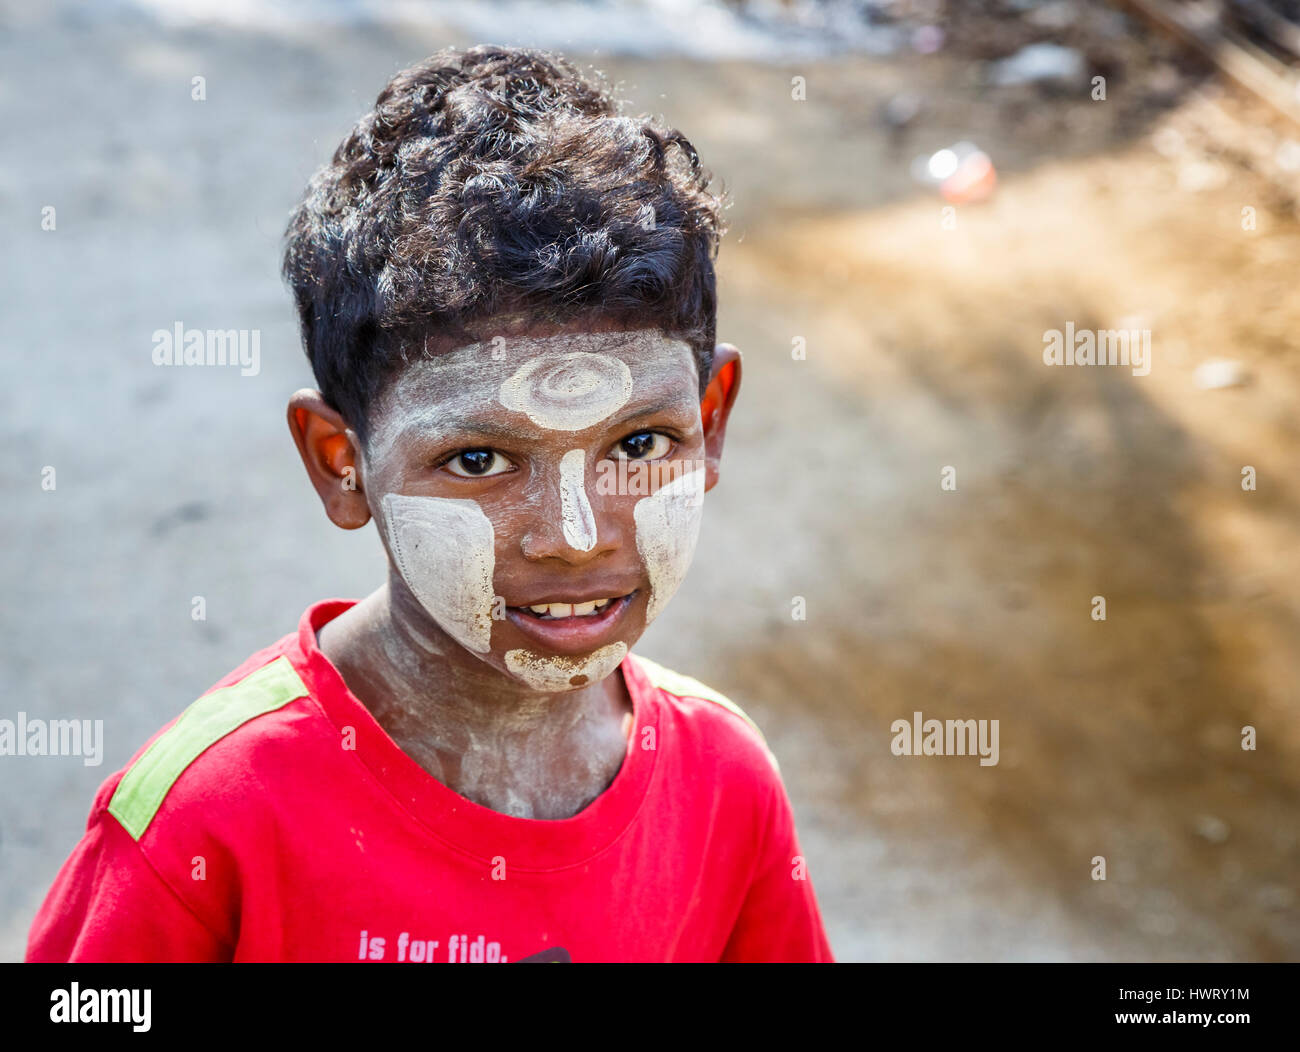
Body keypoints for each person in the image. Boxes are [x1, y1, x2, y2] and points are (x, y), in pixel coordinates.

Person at [27, 44, 833, 963]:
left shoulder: (725, 784)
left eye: (640, 445)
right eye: (480, 458)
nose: (574, 538)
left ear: (712, 421)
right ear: (342, 465)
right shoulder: (209, 821)